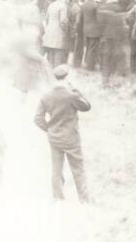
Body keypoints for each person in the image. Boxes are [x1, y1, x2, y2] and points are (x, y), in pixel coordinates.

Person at [33, 63, 92, 203]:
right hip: (71, 137)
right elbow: (87, 106)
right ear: (67, 77)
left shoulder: (46, 95)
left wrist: (49, 129)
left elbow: (37, 118)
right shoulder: (71, 95)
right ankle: (84, 200)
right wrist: (75, 89)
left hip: (54, 138)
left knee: (56, 170)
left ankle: (58, 198)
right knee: (78, 168)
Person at [42, 0, 71, 67]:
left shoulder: (51, 4)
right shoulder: (63, 6)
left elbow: (46, 19)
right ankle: (56, 77)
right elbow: (63, 22)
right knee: (58, 61)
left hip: (49, 36)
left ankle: (49, 77)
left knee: (50, 59)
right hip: (58, 37)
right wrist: (66, 32)